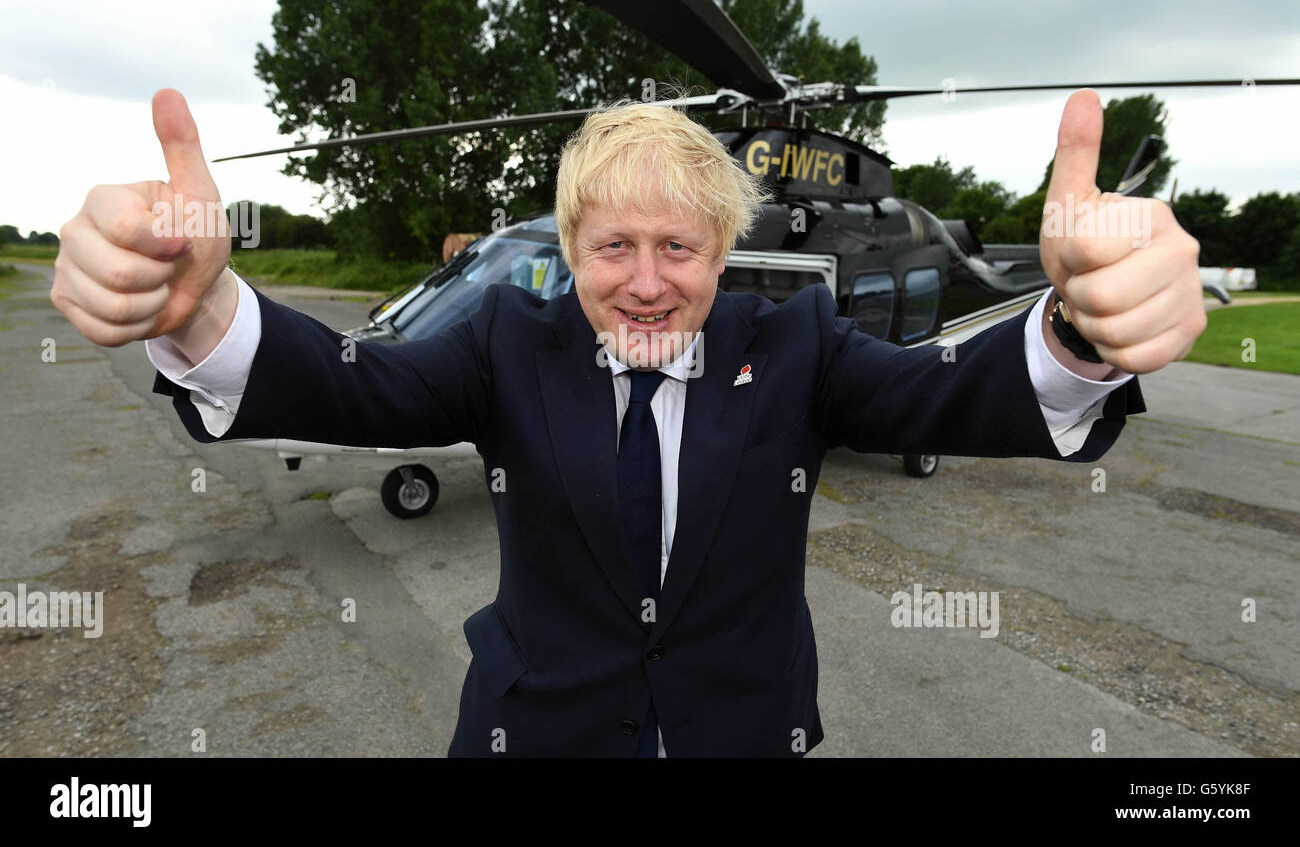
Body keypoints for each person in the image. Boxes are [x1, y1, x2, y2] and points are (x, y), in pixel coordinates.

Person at [51, 88, 1206, 757]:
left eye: (680, 247)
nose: (647, 282)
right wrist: (198, 313)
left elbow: (948, 392)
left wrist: (1080, 327)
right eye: (614, 245)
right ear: (569, 249)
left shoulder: (795, 345)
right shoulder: (506, 338)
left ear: (722, 254)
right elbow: (356, 382)